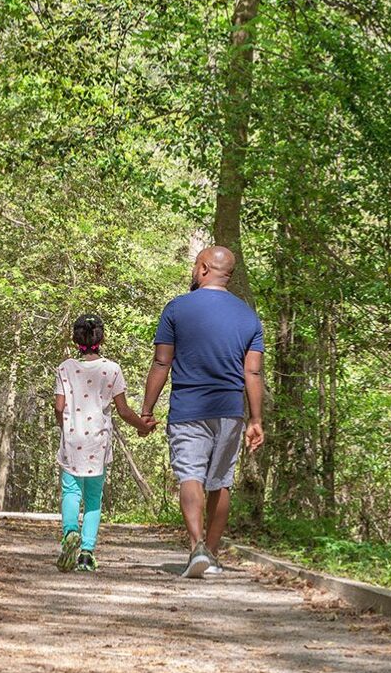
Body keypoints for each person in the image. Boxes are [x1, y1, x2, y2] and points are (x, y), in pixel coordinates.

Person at [140, 246, 265, 578]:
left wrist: (147, 410)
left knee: (190, 475)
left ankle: (197, 547)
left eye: (196, 265)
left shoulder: (177, 308)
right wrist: (256, 419)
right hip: (229, 410)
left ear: (206, 268)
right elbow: (252, 373)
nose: (194, 270)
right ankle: (210, 553)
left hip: (188, 408)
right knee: (220, 483)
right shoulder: (248, 316)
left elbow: (162, 361)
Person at [53, 313, 153, 573]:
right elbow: (123, 410)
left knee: (71, 492)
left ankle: (69, 534)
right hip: (98, 442)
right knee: (94, 497)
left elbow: (59, 406)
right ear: (102, 337)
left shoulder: (65, 367)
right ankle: (86, 553)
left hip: (72, 439)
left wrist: (62, 425)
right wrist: (143, 426)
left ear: (76, 338)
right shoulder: (112, 369)